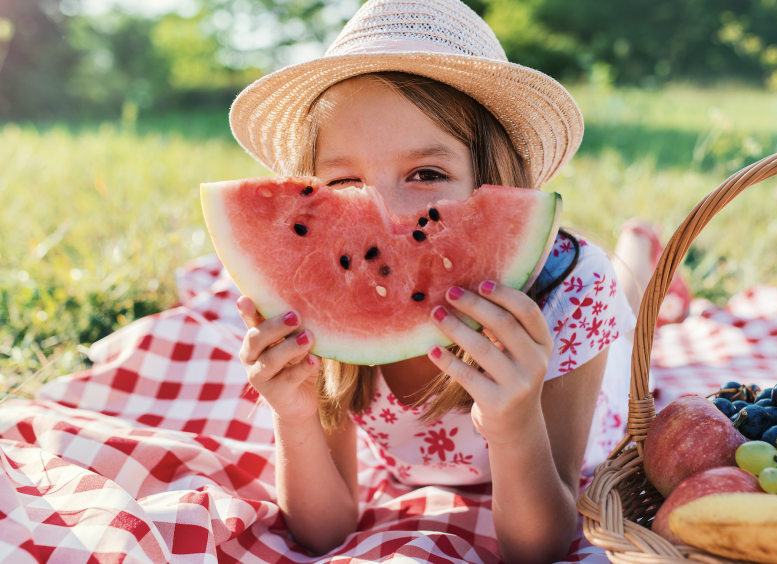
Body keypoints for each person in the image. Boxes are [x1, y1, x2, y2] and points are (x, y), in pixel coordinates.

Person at [227, 0, 666, 561]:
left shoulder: (573, 290)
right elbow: (323, 533)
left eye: (427, 174)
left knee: (626, 305)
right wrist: (292, 417)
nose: (386, 214)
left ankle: (638, 248)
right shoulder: (313, 307)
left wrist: (513, 424)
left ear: (493, 181)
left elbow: (541, 548)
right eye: (346, 182)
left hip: (582, 364)